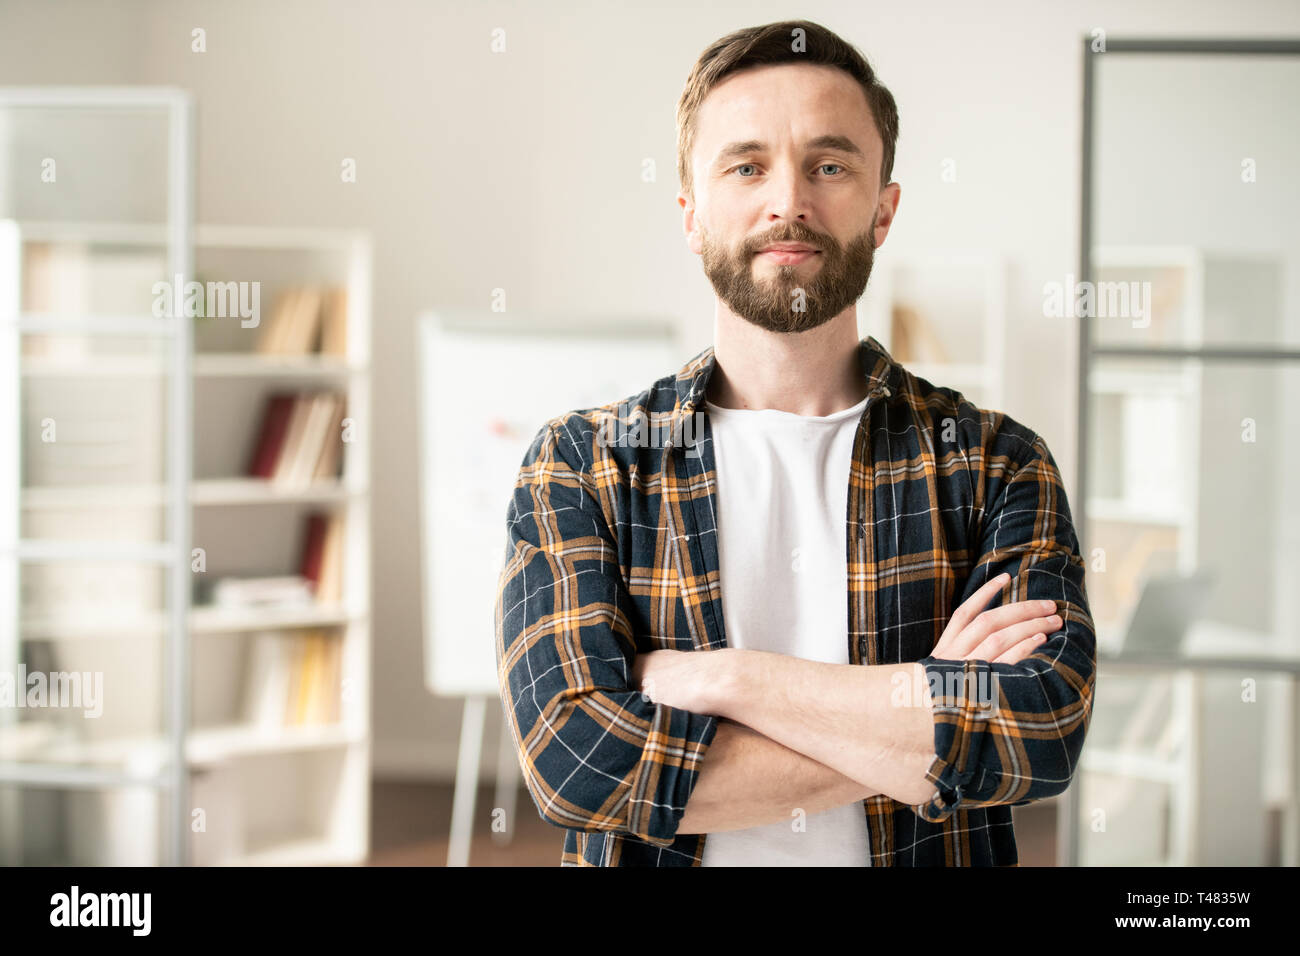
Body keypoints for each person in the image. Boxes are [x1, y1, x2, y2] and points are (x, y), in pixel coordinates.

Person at [494, 19, 1095, 866]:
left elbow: (1040, 732)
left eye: (831, 164)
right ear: (692, 214)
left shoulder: (994, 464)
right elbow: (579, 767)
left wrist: (725, 678)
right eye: (747, 166)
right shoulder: (585, 464)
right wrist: (923, 713)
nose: (789, 202)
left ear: (883, 209)